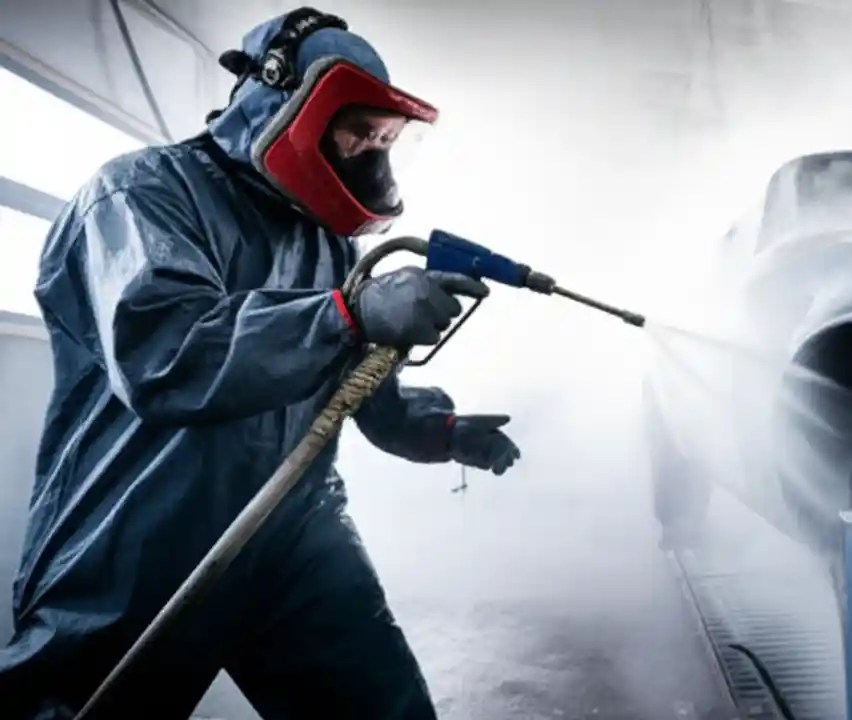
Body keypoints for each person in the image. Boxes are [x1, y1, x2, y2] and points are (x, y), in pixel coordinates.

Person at [0, 8, 519, 718]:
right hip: (142, 533)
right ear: (285, 101)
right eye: (358, 131)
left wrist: (441, 430)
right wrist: (347, 313)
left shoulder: (328, 243)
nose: (371, 152)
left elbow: (354, 384)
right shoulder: (142, 193)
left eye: (385, 138)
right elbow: (169, 353)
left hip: (293, 530)